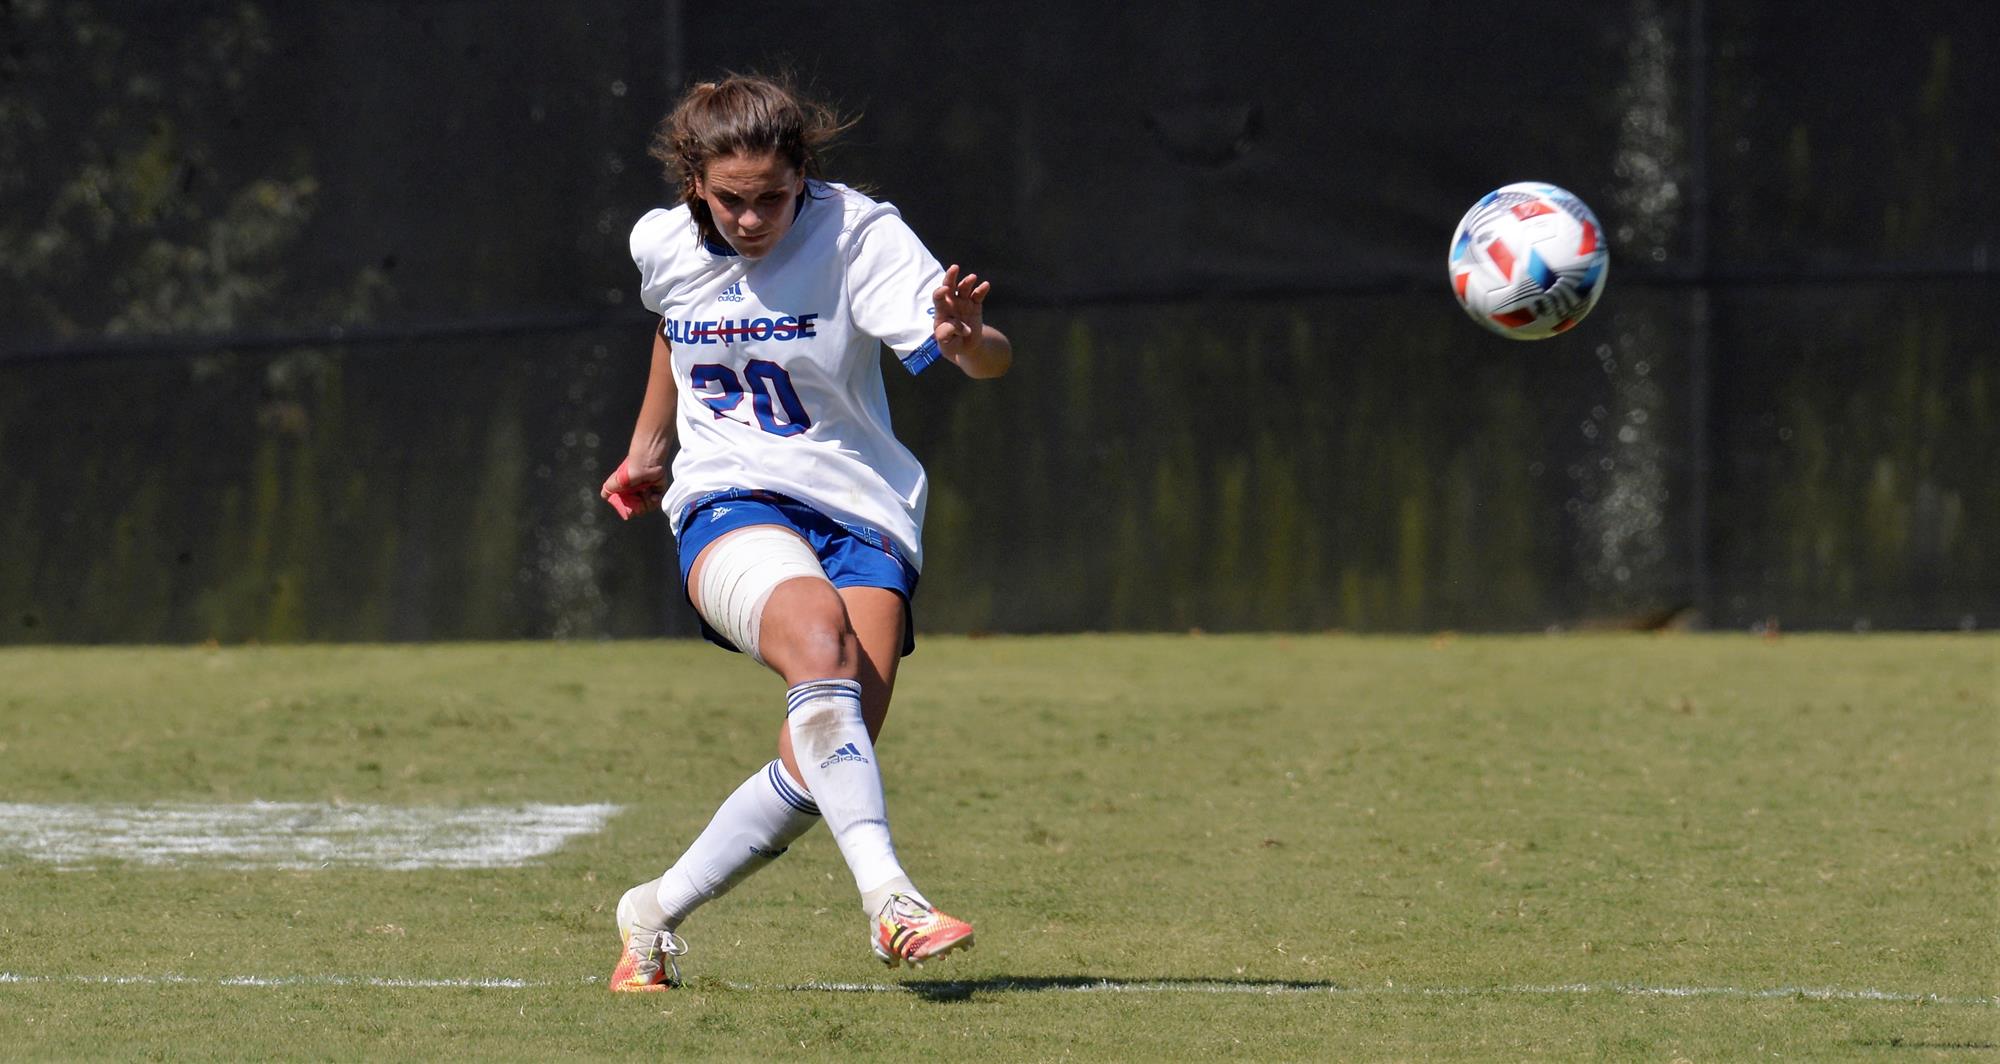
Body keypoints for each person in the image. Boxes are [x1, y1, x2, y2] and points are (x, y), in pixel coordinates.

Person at [598, 73, 1012, 992]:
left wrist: (967, 341)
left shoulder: (859, 235)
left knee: (827, 754)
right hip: (727, 500)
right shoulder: (661, 241)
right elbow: (673, 327)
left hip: (862, 510)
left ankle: (653, 912)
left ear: (805, 177)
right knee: (816, 643)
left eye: (772, 199)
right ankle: (892, 903)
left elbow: (987, 360)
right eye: (729, 200)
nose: (750, 220)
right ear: (693, 182)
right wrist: (648, 449)